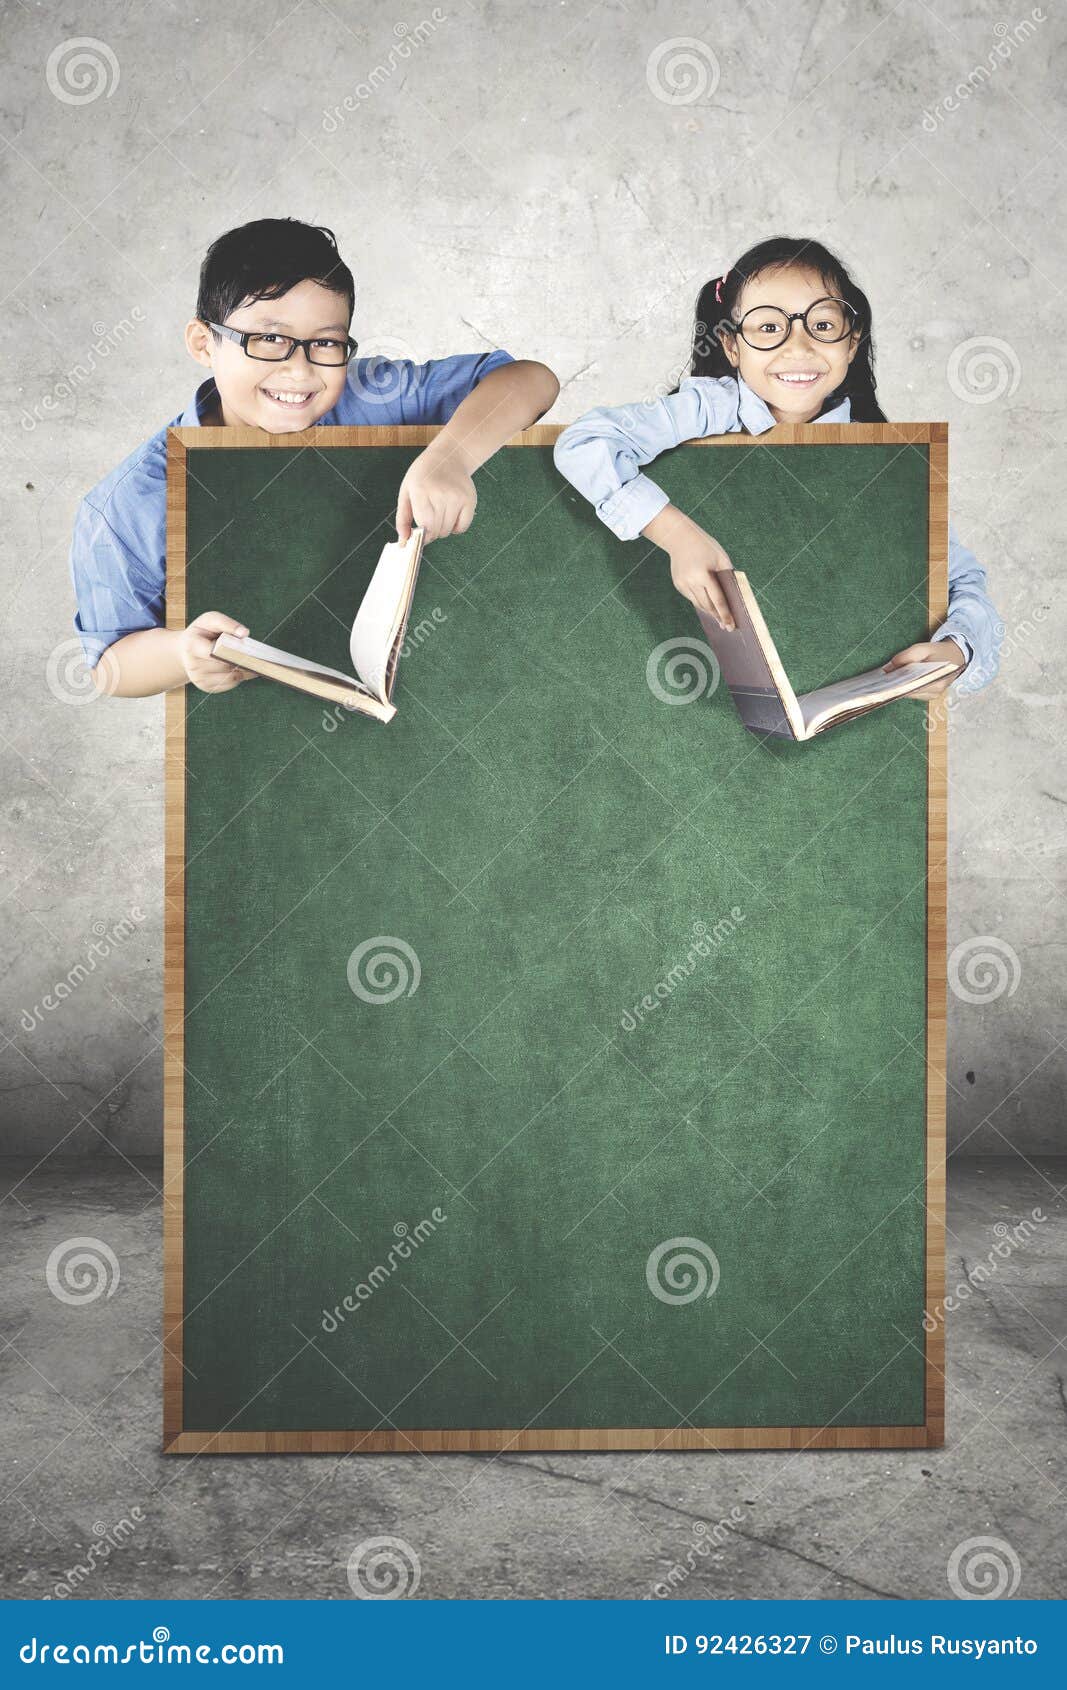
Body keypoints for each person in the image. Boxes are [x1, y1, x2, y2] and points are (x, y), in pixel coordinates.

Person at [71, 217, 559, 697]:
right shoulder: (129, 501)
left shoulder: (371, 396)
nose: (299, 371)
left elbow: (531, 380)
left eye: (325, 343)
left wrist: (450, 458)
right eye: (269, 340)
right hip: (255, 734)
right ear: (205, 343)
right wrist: (182, 653)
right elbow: (110, 664)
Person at [553, 235, 1002, 698]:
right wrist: (677, 536)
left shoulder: (884, 462)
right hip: (678, 683)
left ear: (852, 341)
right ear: (731, 346)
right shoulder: (706, 410)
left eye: (823, 324)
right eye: (769, 328)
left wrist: (957, 650)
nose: (798, 346)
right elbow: (585, 443)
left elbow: (963, 580)